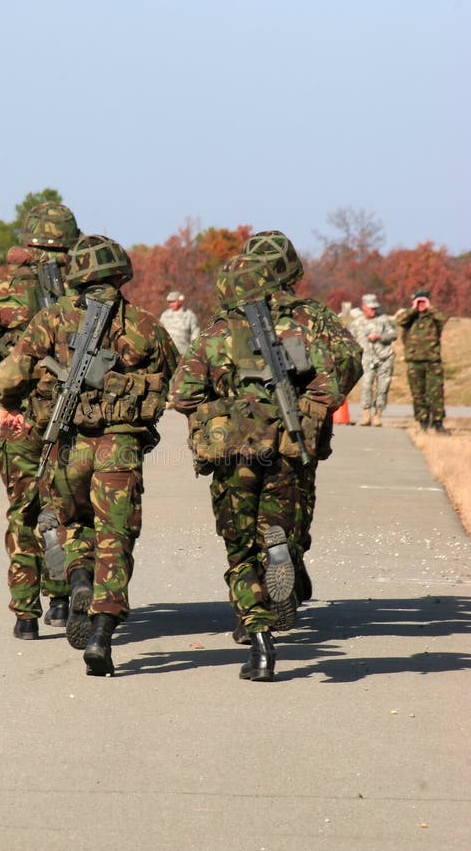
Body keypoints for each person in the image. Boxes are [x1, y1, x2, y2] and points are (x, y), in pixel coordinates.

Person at [170, 241, 360, 682]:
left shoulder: (220, 329)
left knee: (239, 550)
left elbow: (181, 392)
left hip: (235, 453)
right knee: (283, 524)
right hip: (290, 447)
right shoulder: (310, 318)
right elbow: (349, 360)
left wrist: (221, 414)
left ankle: (257, 640)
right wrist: (314, 404)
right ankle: (282, 551)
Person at [0, 235, 178, 676]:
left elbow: (7, 377)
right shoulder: (146, 324)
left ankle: (78, 577)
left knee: (72, 523)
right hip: (119, 447)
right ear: (120, 273)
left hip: (66, 444)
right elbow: (176, 375)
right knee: (115, 536)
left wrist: (10, 400)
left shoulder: (51, 319)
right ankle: (101, 633)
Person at [0, 202, 81, 640]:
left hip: (14, 416)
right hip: (71, 417)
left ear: (27, 241)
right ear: (70, 240)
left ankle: (26, 615)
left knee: (23, 510)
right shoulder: (84, 290)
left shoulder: (0, 293)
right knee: (69, 507)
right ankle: (63, 600)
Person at [394, 290, 450, 433]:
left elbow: (444, 318)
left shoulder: (433, 316)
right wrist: (413, 309)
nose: (420, 305)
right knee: (418, 394)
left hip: (433, 360)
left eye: (422, 301)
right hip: (414, 361)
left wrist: (429, 308)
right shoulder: (409, 317)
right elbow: (399, 320)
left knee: (436, 393)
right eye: (418, 301)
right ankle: (423, 422)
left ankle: (438, 422)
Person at [349, 293, 397, 427]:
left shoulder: (384, 319)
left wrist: (380, 336)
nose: (373, 311)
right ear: (364, 307)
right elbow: (349, 340)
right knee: (366, 386)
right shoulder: (356, 323)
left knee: (383, 387)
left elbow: (393, 334)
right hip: (366, 359)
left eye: (375, 308)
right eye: (371, 308)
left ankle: (378, 415)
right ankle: (366, 415)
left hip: (384, 358)